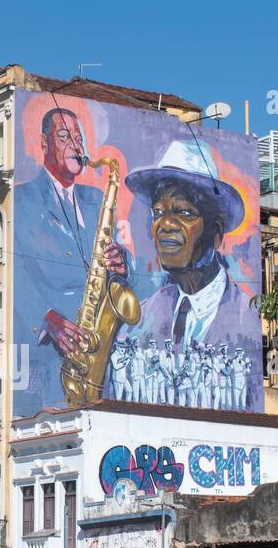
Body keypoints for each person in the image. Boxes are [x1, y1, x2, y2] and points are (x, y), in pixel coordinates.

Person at [111, 140, 259, 409]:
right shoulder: (137, 322)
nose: (165, 225)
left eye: (183, 212)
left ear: (216, 232)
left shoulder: (248, 319)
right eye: (158, 212)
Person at [13, 107, 129, 415]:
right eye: (64, 137)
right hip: (49, 360)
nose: (77, 146)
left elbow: (115, 258)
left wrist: (122, 261)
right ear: (43, 142)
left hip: (96, 354)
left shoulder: (96, 199)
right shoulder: (20, 199)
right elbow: (14, 267)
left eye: (79, 138)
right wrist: (47, 317)